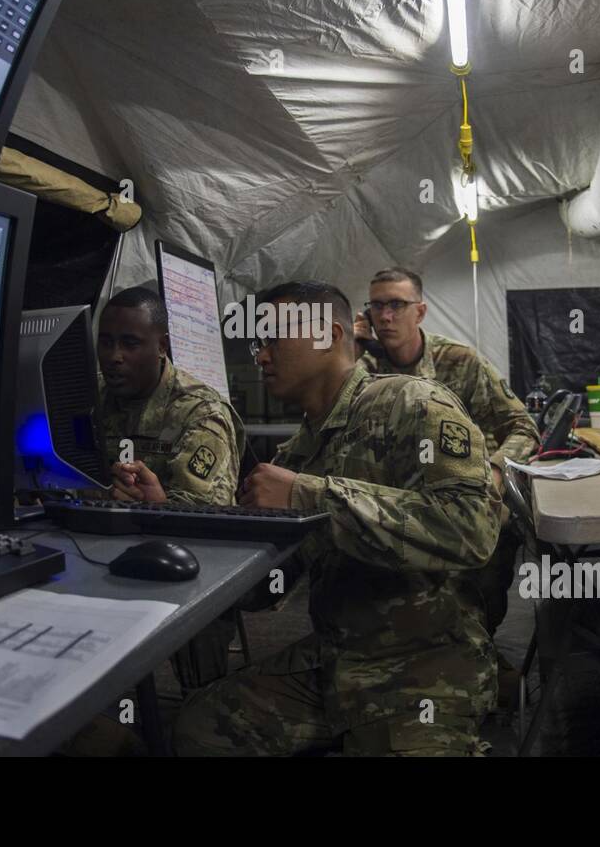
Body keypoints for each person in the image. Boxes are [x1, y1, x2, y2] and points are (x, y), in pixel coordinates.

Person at [173, 281, 499, 756]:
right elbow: (267, 590)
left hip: (424, 668)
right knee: (199, 730)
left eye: (272, 339)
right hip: (334, 661)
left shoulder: (412, 404)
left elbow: (473, 528)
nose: (260, 357)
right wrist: (183, 516)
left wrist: (307, 498)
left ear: (327, 334)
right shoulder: (299, 452)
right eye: (256, 344)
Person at [353, 267, 537, 694]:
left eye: (396, 305)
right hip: (399, 505)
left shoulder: (460, 362)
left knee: (480, 575)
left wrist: (494, 470)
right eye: (376, 305)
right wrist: (348, 344)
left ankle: (477, 654)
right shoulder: (360, 369)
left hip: (467, 499)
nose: (385, 316)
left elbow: (523, 427)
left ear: (420, 311)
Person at [97, 286, 243, 687]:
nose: (114, 356)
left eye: (130, 343)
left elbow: (212, 519)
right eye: (106, 342)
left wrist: (156, 504)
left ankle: (202, 708)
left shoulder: (201, 411)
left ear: (162, 346)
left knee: (201, 619)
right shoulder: (93, 400)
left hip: (193, 561)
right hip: (103, 547)